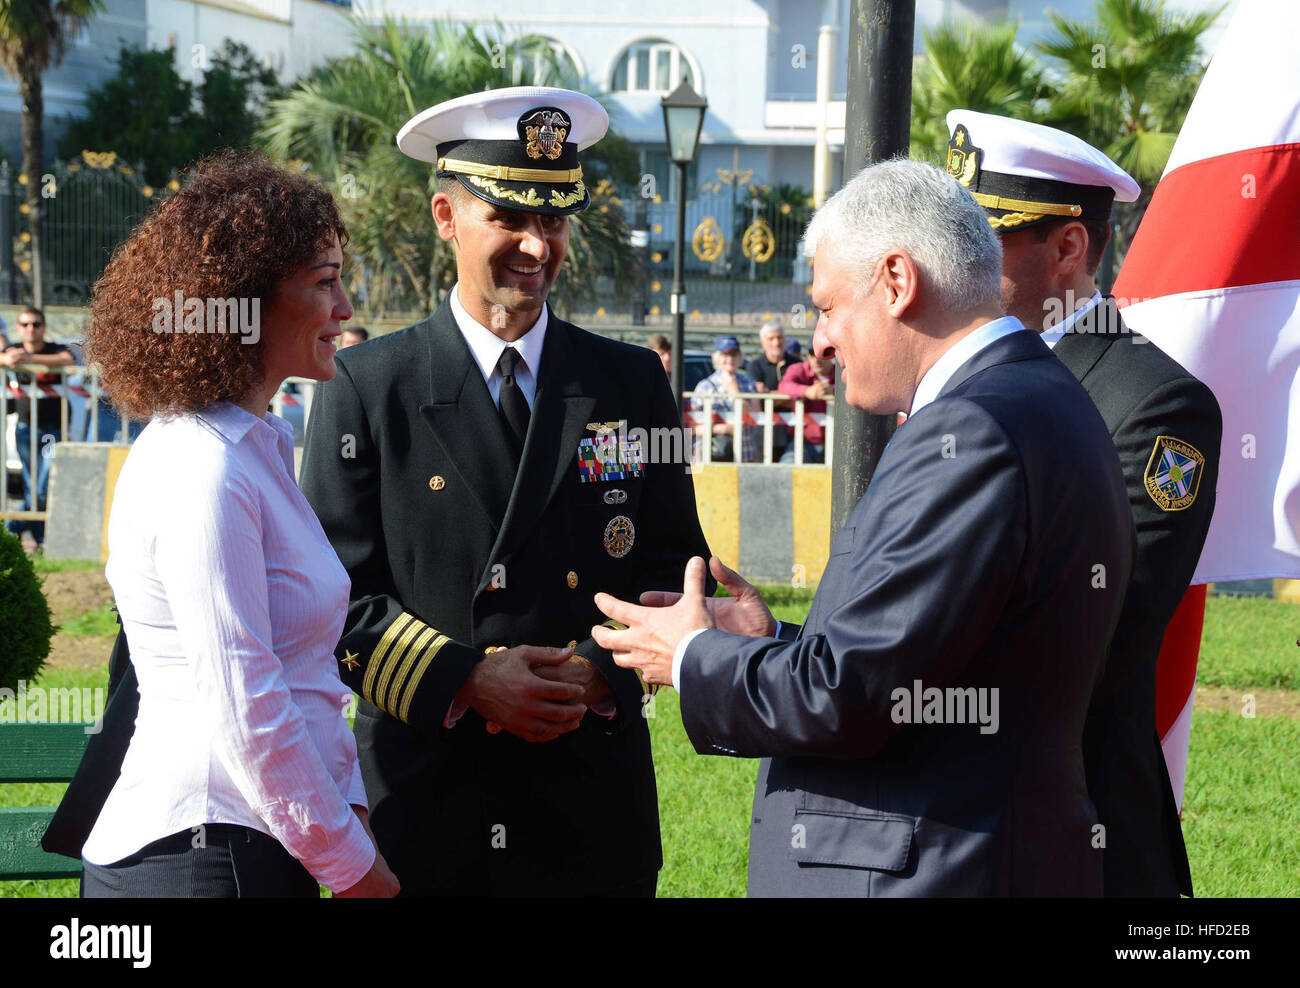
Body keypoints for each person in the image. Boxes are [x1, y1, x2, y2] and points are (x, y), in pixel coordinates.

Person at [592, 159, 1137, 897]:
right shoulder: (1036, 399)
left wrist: (691, 655)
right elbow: (929, 660)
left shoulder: (971, 431)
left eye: (826, 307)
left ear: (896, 281)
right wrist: (773, 643)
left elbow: (848, 698)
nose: (818, 341)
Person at [299, 86, 713, 897]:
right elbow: (332, 603)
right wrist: (469, 679)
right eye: (511, 219)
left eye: (553, 221)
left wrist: (597, 670)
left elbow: (674, 563)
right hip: (430, 798)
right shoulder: (368, 385)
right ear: (446, 216)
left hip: (591, 802)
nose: (536, 245)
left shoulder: (628, 382)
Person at [74, 150, 398, 898]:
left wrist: (348, 820)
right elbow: (245, 702)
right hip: (205, 857)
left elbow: (303, 680)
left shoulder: (255, 447)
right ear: (246, 301)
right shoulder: (204, 466)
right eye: (324, 283)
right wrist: (354, 869)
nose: (346, 308)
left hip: (249, 847)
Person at [946, 109, 1222, 898]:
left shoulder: (1157, 405)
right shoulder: (954, 384)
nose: (948, 264)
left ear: (1068, 247)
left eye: (976, 242)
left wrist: (857, 680)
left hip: (1079, 840)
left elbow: (1093, 641)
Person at [2, 306, 76, 550]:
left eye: (35, 324)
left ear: (43, 327)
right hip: (24, 427)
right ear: (18, 328)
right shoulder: (13, 350)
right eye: (25, 325)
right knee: (29, 482)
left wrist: (30, 360)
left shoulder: (55, 349)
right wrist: (6, 359)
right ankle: (33, 536)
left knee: (42, 485)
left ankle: (17, 530)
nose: (30, 329)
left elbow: (68, 359)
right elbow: (4, 356)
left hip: (51, 429)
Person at [689, 334, 761, 462]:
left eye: (733, 354)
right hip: (709, 456)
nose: (729, 359)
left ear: (740, 357)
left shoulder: (749, 384)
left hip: (744, 455)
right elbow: (691, 427)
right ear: (716, 358)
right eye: (724, 355)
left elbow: (755, 418)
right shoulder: (704, 387)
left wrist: (735, 393)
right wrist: (722, 429)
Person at [777, 347, 834, 463]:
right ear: (807, 356)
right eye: (812, 355)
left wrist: (834, 390)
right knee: (787, 468)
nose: (816, 360)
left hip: (836, 442)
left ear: (832, 355)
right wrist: (807, 391)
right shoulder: (798, 369)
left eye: (821, 355)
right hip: (803, 442)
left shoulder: (842, 372)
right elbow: (784, 385)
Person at [745, 321, 790, 392]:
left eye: (779, 337)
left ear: (785, 340)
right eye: (771, 339)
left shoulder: (796, 364)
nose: (776, 343)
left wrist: (768, 392)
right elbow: (757, 396)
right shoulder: (755, 366)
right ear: (762, 343)